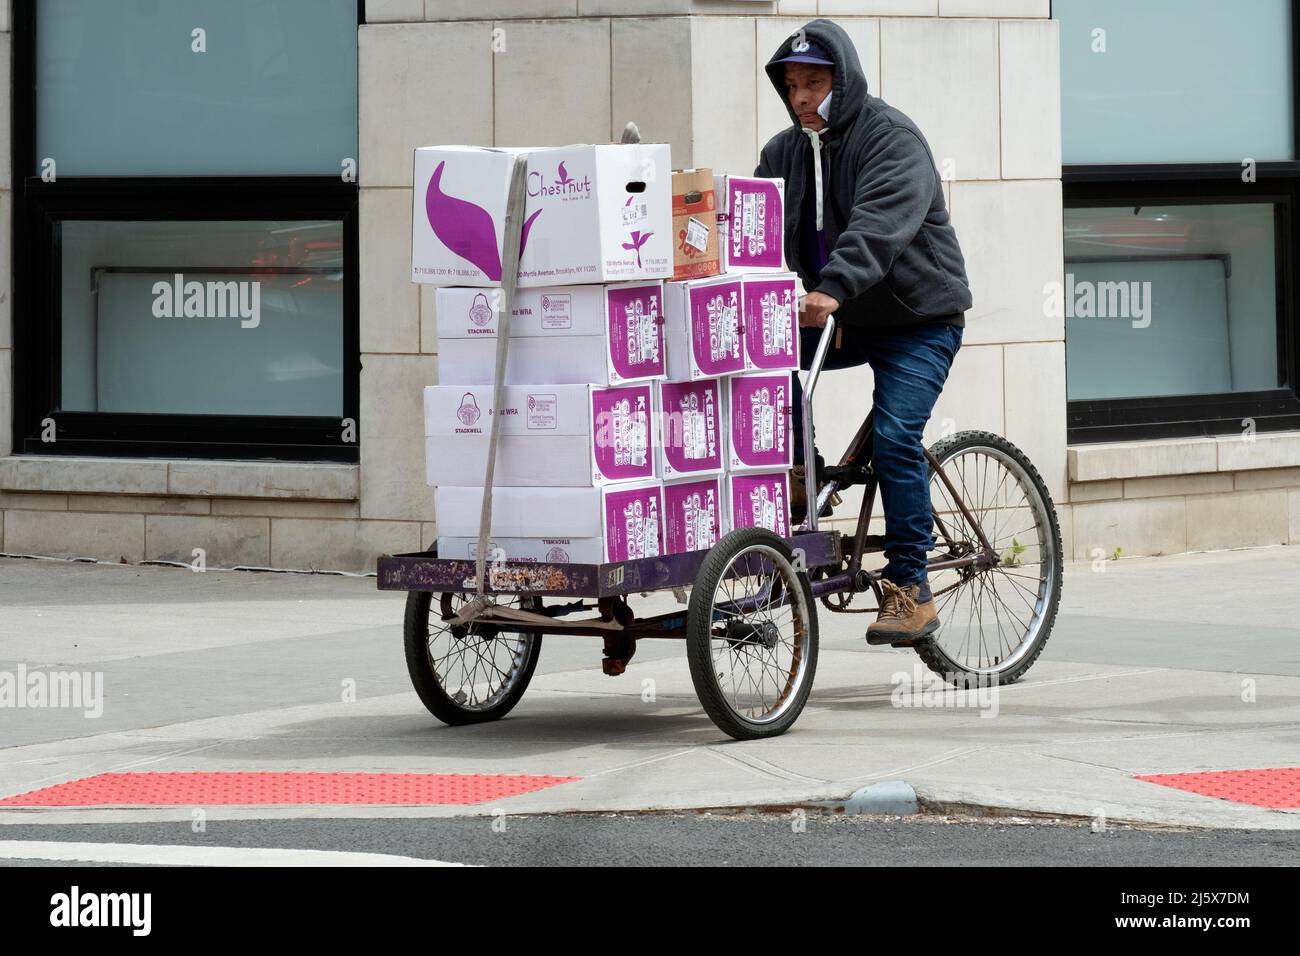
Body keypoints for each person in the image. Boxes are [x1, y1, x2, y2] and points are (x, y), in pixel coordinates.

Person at [754, 18, 973, 645]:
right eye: (792, 85)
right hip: (841, 317)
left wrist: (831, 289)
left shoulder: (891, 138)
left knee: (895, 435)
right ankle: (804, 474)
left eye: (814, 84)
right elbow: (753, 228)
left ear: (843, 81)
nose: (801, 98)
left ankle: (911, 587)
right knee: (753, 364)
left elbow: (878, 225)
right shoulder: (782, 153)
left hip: (917, 319)